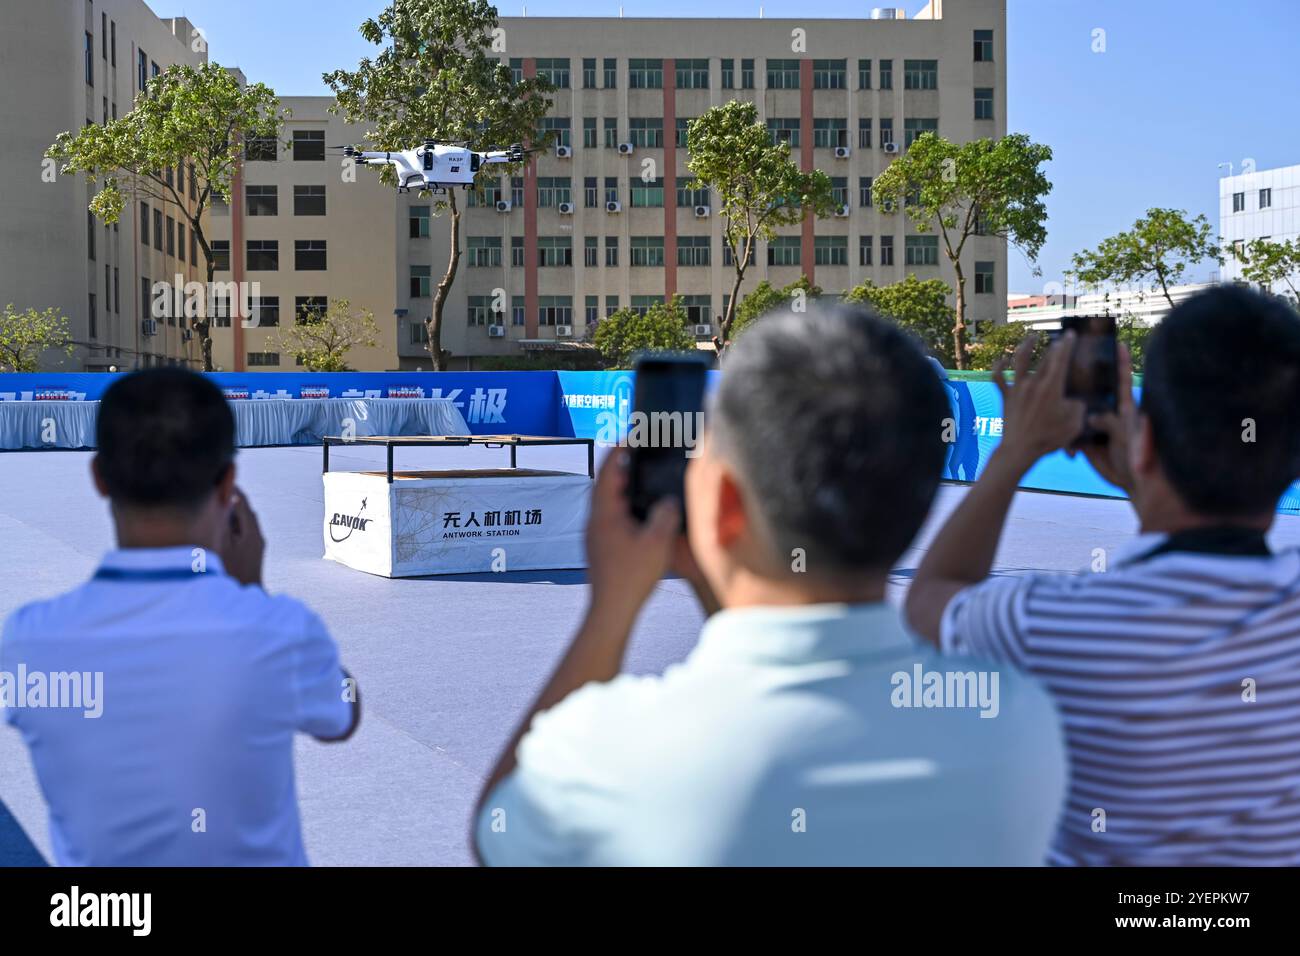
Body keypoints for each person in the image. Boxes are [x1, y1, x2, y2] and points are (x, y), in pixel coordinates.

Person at [474, 304, 1066, 866]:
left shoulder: (616, 753)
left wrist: (612, 608)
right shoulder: (1019, 724)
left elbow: (499, 830)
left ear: (724, 500)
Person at [905, 285, 1300, 866]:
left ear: (1148, 441)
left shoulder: (1049, 619)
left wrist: (1013, 454)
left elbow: (932, 599)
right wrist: (1148, 485)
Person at [0, 368, 359, 866]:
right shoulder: (279, 632)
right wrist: (251, 591)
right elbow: (341, 716)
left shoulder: (26, 641)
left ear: (99, 476)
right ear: (229, 481)